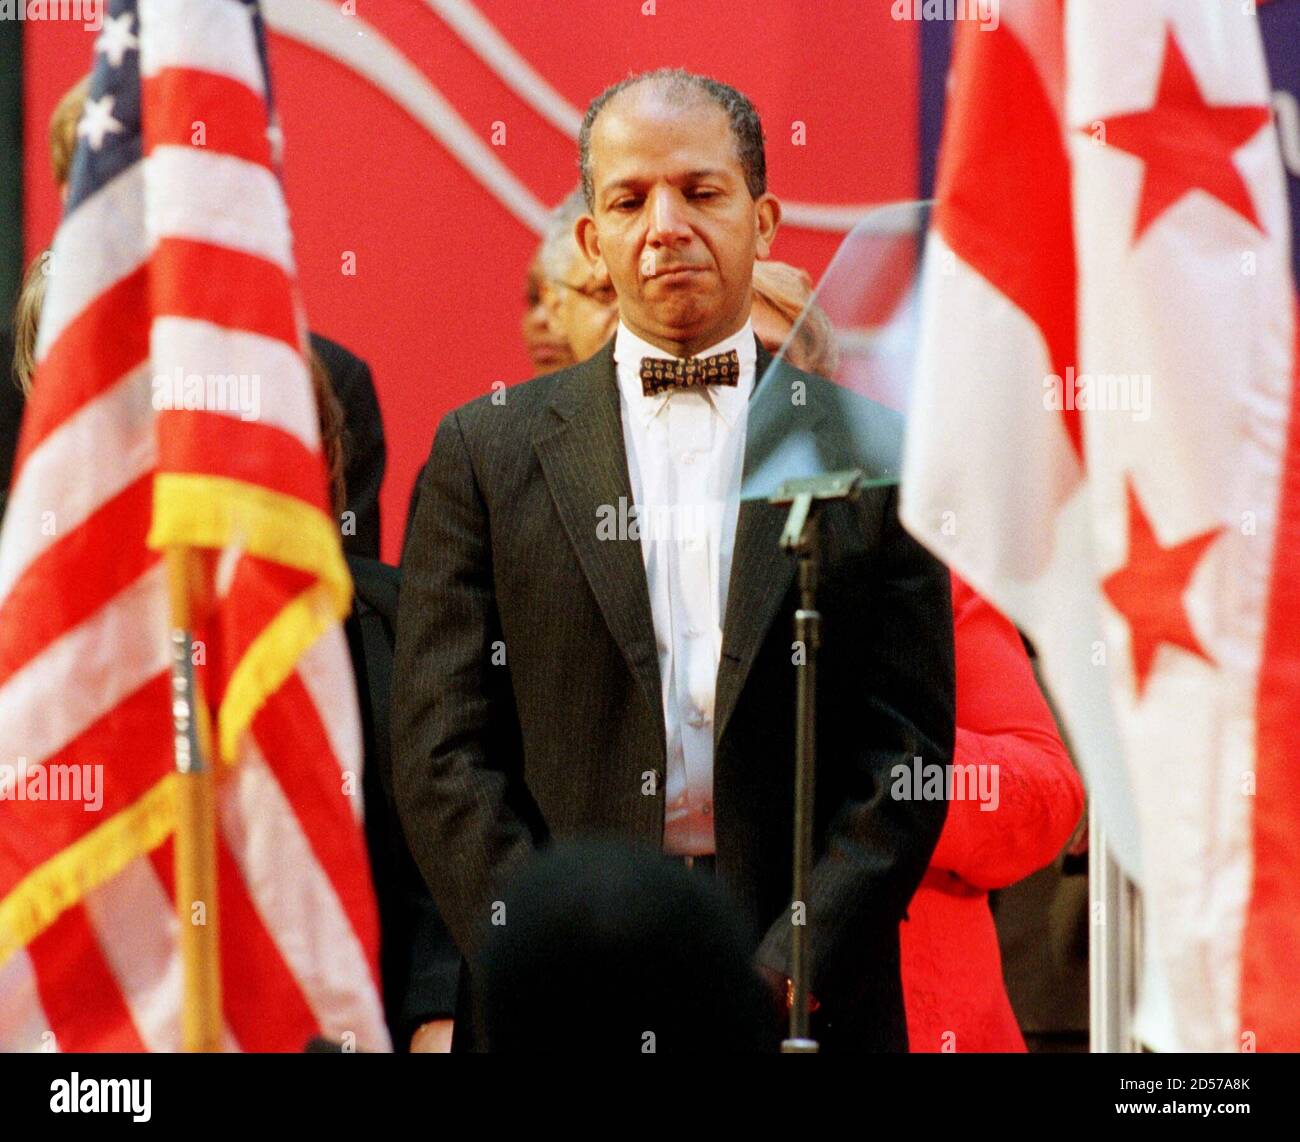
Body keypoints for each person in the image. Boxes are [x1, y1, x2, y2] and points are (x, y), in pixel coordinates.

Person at [394, 68, 956, 1052]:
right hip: (554, 996)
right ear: (590, 239)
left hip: (806, 1000)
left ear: (763, 217)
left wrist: (791, 963)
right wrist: (554, 945)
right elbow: (443, 749)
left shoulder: (870, 448)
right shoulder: (482, 449)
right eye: (628, 198)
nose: (665, 224)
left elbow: (905, 751)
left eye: (701, 191)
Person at [5, 76, 387, 559]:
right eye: (106, 182)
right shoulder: (18, 372)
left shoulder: (320, 378)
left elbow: (342, 600)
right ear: (66, 192)